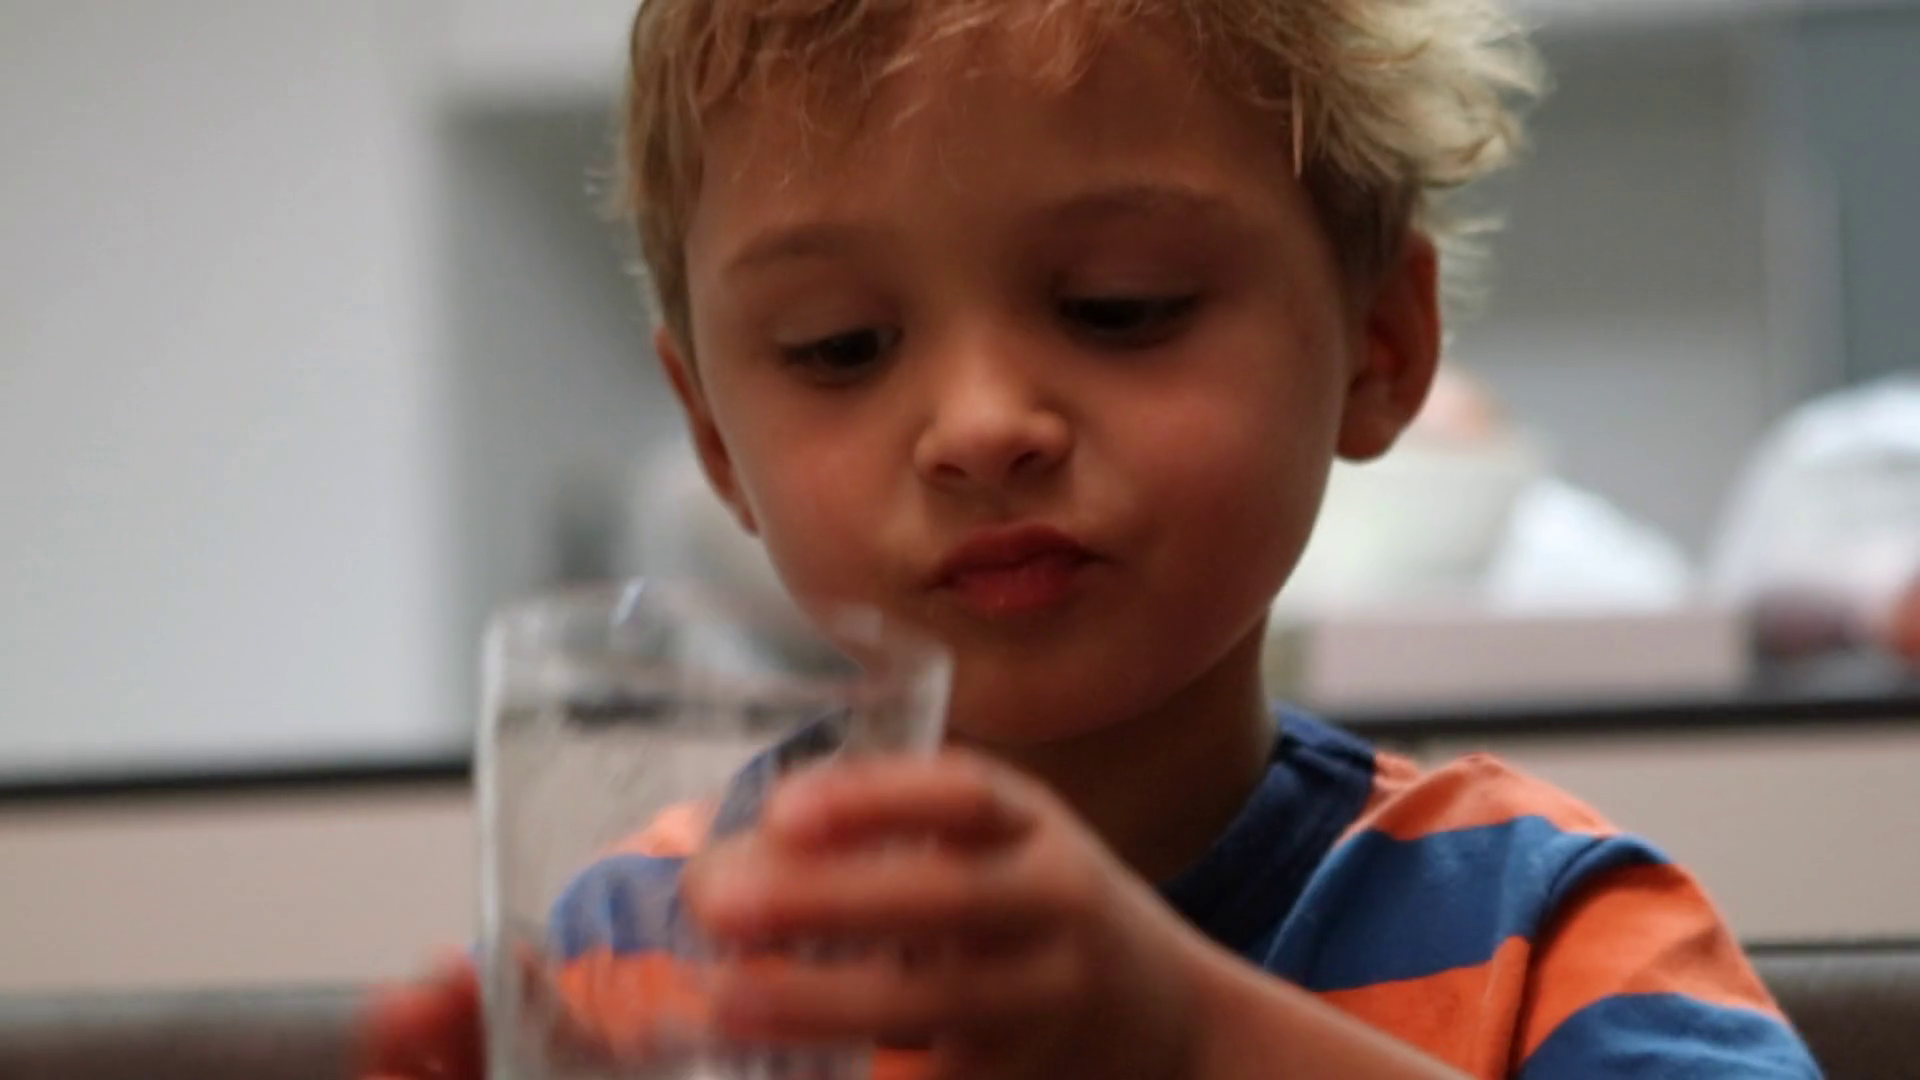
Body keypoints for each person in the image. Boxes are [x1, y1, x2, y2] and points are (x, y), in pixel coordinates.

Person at [362, 1, 1821, 1077]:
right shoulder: (652, 952)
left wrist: (1186, 1036)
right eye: (841, 344)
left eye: (1122, 305)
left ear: (1381, 342)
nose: (983, 424)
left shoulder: (1543, 934)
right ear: (711, 441)